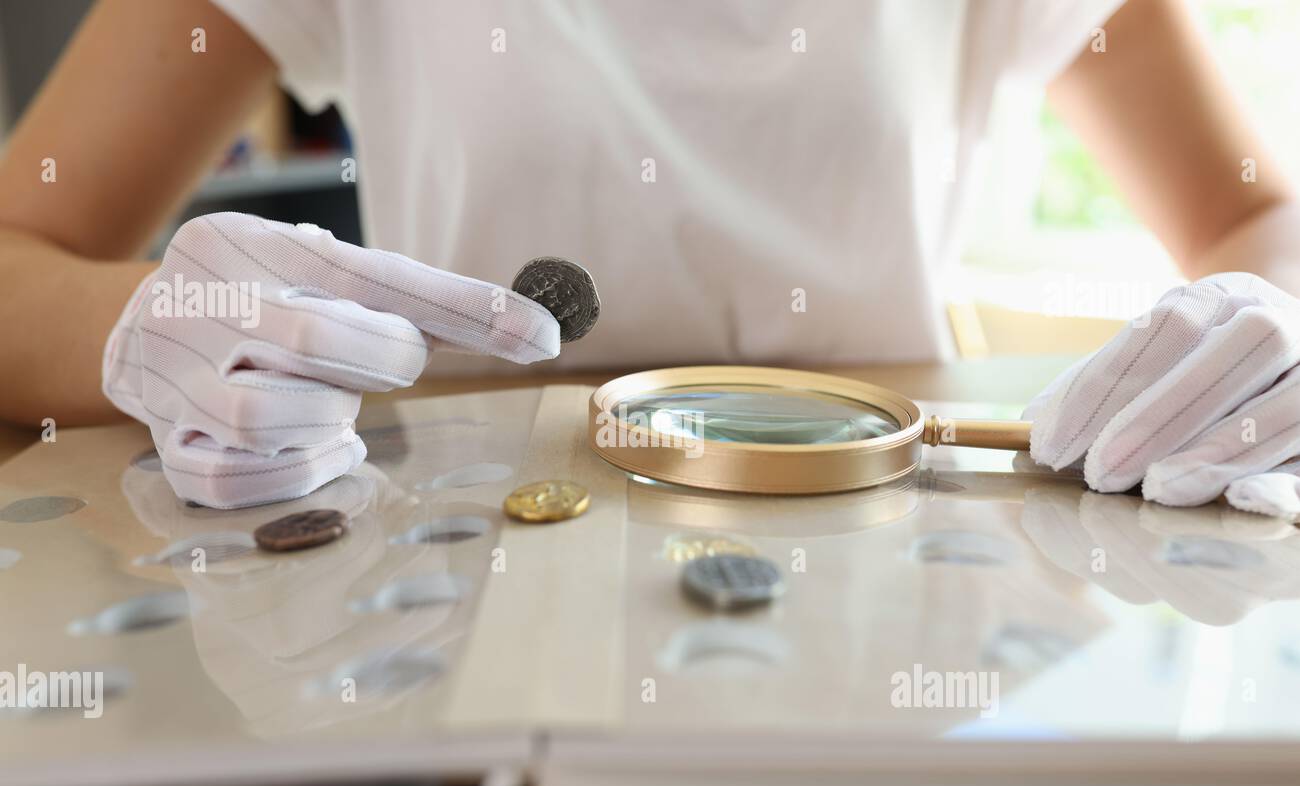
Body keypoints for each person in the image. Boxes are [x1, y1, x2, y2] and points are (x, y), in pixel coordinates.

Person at [1, 0, 1298, 513]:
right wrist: (152, 328)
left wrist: (1269, 311)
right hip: (454, 583)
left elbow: (1255, 215)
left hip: (902, 560)